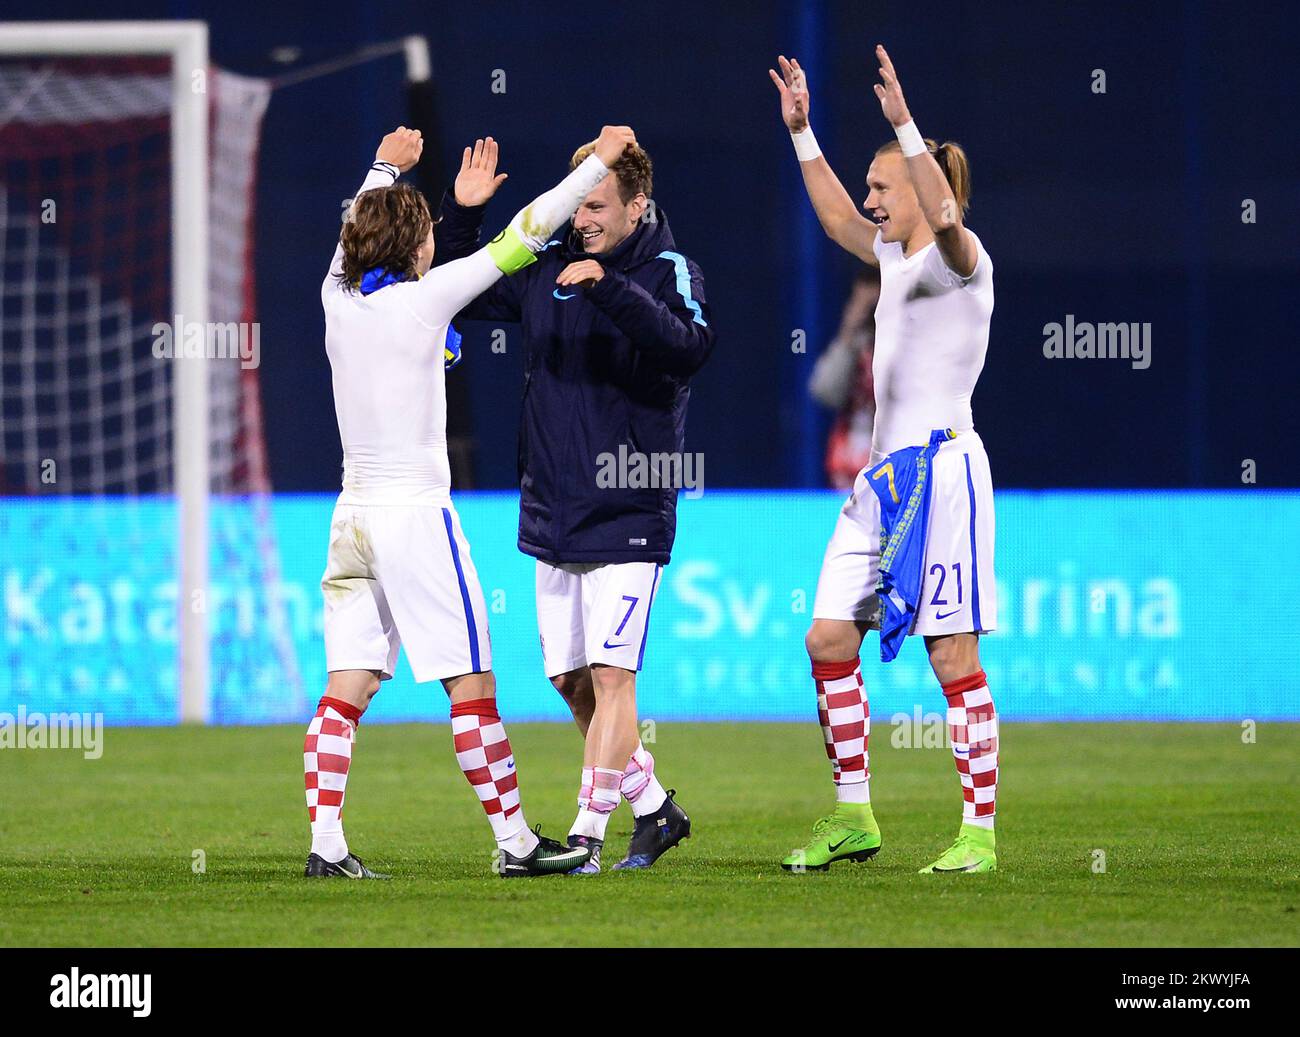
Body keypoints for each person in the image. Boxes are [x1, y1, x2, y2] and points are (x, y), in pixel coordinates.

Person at [305, 124, 638, 879]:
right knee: (473, 686)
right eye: (425, 233)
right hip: (414, 518)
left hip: (349, 516)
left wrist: (386, 164)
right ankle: (518, 843)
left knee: (346, 687)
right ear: (411, 248)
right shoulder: (424, 302)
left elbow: (355, 221)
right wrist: (595, 163)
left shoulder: (335, 294)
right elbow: (529, 231)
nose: (432, 245)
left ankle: (326, 844)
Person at [434, 135, 715, 872]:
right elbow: (464, 286)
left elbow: (689, 347)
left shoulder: (669, 269)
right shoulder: (549, 262)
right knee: (571, 679)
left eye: (597, 204)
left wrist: (607, 287)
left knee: (616, 677)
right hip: (551, 507)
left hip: (629, 503)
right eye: (579, 201)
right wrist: (462, 217)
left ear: (637, 206)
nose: (582, 216)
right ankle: (654, 808)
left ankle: (587, 837)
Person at [770, 46, 1000, 873]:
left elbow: (943, 219)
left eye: (882, 187)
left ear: (924, 188)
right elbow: (837, 220)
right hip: (878, 484)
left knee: (953, 657)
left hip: (943, 478)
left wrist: (905, 122)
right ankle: (855, 816)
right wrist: (802, 134)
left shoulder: (960, 266)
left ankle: (978, 831)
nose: (870, 201)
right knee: (828, 637)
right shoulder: (895, 259)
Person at [809, 267, 880, 489]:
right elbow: (824, 391)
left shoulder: (908, 347)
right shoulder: (853, 345)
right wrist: (849, 332)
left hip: (893, 460)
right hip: (848, 465)